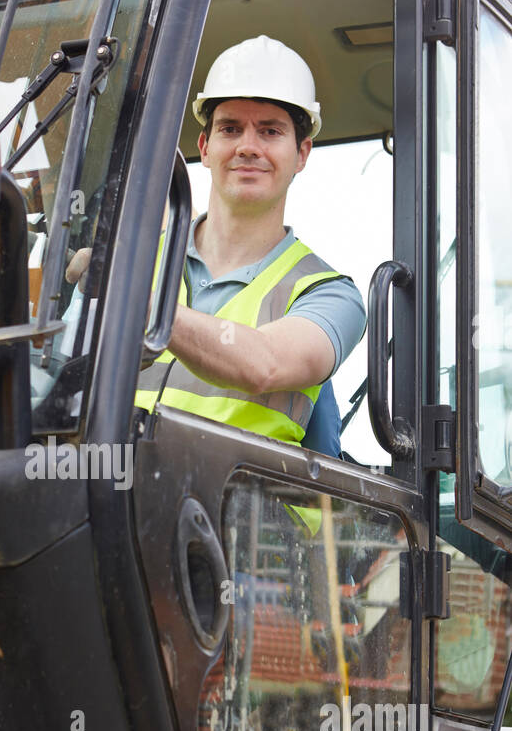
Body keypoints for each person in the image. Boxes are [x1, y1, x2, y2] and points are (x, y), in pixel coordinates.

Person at [121, 35, 367, 453]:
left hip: (242, 515)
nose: (248, 147)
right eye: (230, 129)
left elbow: (266, 363)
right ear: (205, 147)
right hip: (111, 500)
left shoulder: (329, 295)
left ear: (302, 153)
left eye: (270, 131)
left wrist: (136, 306)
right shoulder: (132, 258)